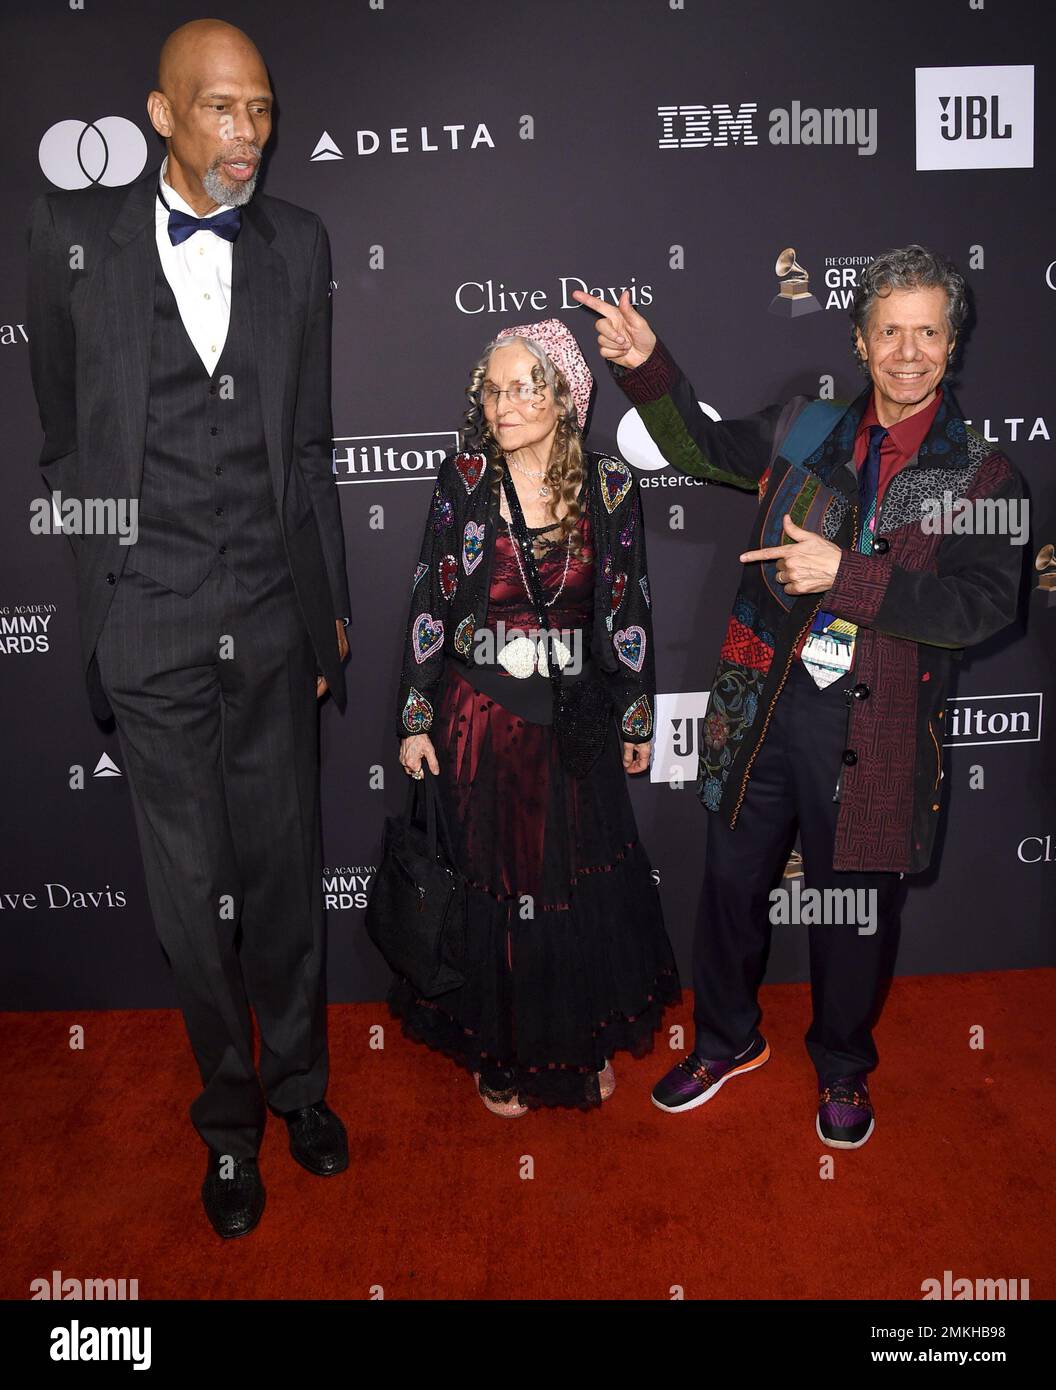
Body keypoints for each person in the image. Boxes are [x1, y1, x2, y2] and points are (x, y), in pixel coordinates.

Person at [574, 244, 1024, 1147]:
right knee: (731, 890)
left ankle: (845, 1068)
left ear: (951, 344)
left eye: (927, 332)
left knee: (854, 918)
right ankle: (727, 1041)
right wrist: (647, 366)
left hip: (879, 728)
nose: (907, 351)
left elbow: (980, 608)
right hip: (762, 710)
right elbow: (696, 448)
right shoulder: (804, 428)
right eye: (888, 330)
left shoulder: (984, 475)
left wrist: (848, 577)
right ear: (860, 340)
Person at [26, 19, 351, 1237]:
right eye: (220, 109)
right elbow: (63, 437)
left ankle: (302, 1091)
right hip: (150, 620)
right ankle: (228, 1129)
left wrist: (328, 616)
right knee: (191, 898)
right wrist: (104, 602)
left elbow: (311, 445)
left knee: (281, 875)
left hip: (273, 613)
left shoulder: (299, 241)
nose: (246, 134)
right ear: (161, 115)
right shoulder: (67, 242)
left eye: (261, 109)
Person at [392, 319, 680, 1114]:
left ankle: (570, 1037)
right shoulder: (463, 481)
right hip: (481, 719)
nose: (508, 403)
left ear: (563, 396)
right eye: (495, 388)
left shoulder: (610, 485)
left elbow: (627, 608)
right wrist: (415, 717)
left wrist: (633, 714)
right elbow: (430, 596)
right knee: (501, 890)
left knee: (570, 890)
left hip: (573, 725)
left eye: (527, 386)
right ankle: (504, 1052)